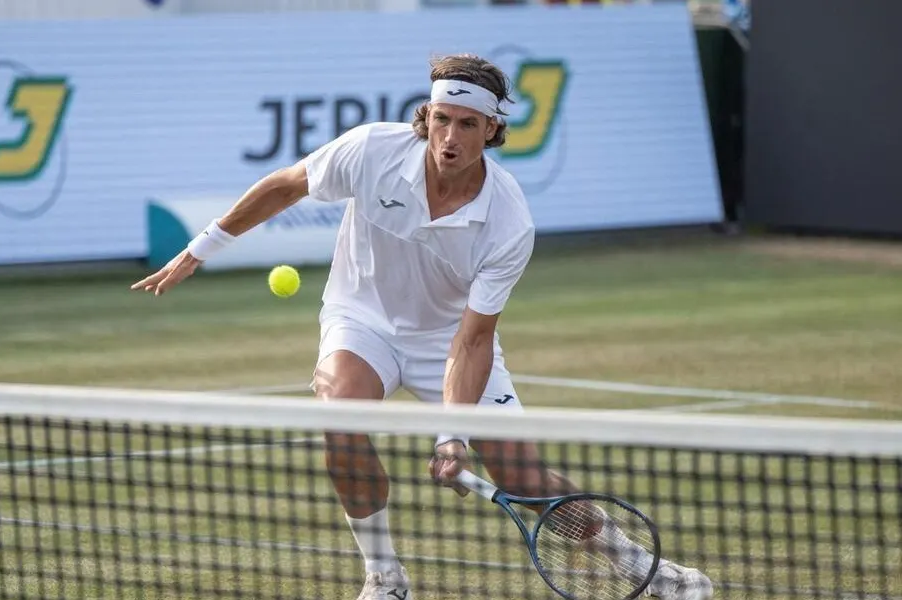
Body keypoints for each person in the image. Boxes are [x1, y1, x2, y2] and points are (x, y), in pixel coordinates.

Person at [132, 53, 713, 600]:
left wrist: (451, 435)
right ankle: (385, 578)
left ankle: (645, 568)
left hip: (447, 340)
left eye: (466, 124)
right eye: (441, 120)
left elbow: (473, 336)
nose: (450, 138)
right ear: (426, 116)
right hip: (362, 319)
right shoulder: (371, 151)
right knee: (339, 421)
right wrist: (199, 249)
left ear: (491, 129)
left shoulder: (508, 221)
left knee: (523, 477)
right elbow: (286, 186)